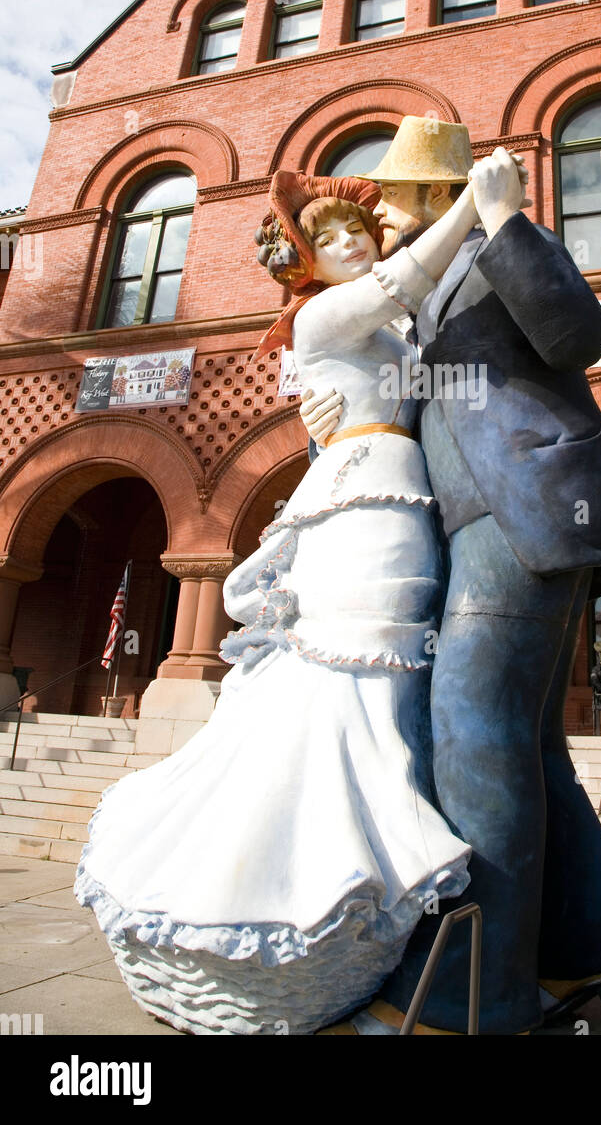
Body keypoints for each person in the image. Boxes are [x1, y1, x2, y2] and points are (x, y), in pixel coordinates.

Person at [73, 168, 492, 1035]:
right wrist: (479, 203)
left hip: (389, 493)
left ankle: (346, 888)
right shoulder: (320, 313)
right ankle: (281, 899)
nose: (351, 245)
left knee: (376, 684)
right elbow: (403, 279)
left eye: (357, 231)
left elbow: (409, 304)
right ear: (302, 267)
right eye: (328, 239)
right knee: (348, 678)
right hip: (361, 511)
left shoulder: (373, 324)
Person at [300, 118, 601, 1035]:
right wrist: (333, 417)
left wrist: (503, 223)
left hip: (523, 515)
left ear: (436, 192)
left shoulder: (499, 238)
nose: (376, 210)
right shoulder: (416, 304)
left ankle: (474, 999)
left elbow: (576, 335)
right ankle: (594, 946)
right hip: (469, 527)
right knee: (524, 744)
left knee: (471, 732)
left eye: (389, 194)